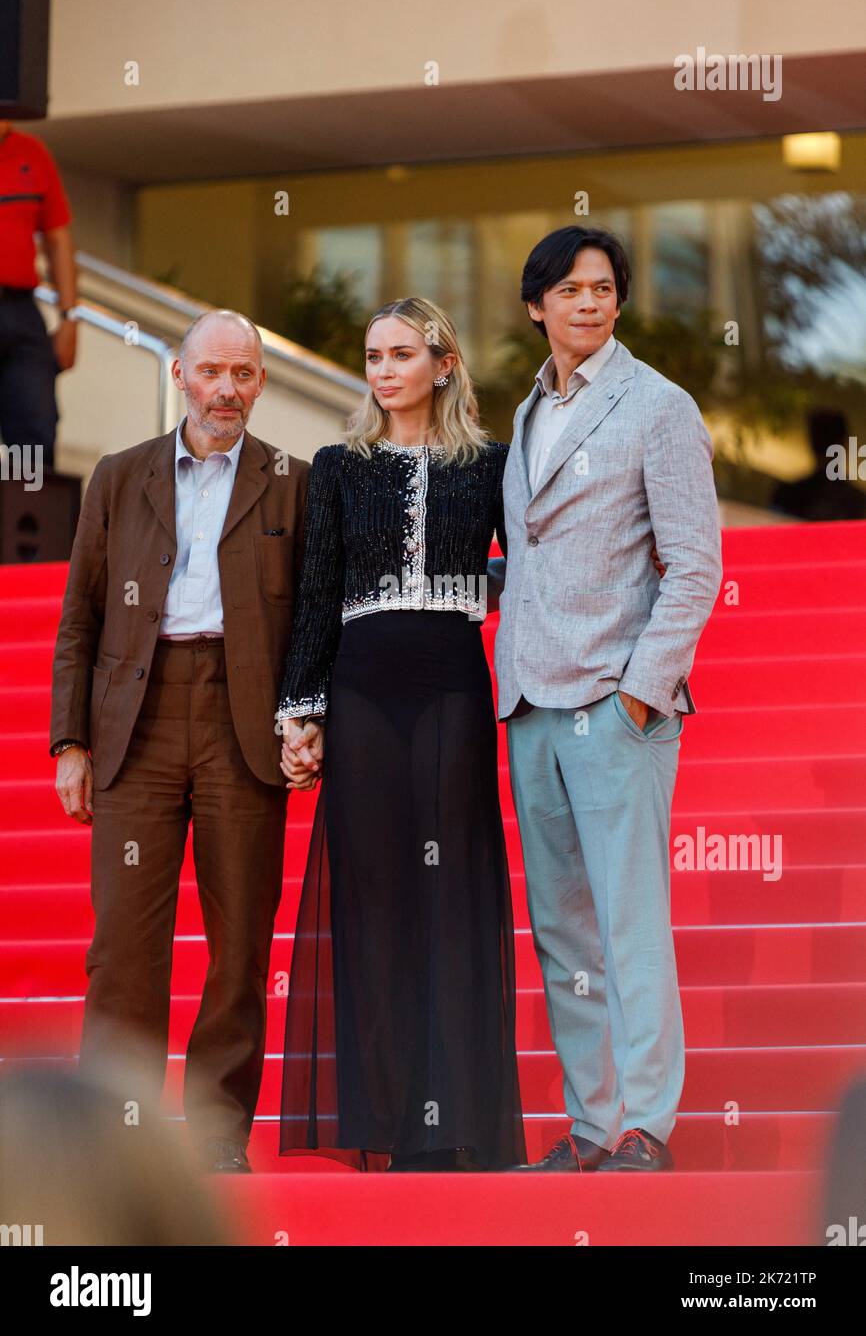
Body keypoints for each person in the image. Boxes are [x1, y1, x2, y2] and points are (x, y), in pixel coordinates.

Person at [49, 309, 312, 1173]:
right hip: (139, 717)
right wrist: (71, 741)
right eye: (212, 373)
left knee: (240, 942)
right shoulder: (120, 479)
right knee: (124, 945)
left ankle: (215, 1136)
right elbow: (80, 616)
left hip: (245, 723)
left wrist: (306, 719)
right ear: (180, 377)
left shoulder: (293, 483)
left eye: (243, 374)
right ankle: (114, 1144)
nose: (227, 389)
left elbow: (313, 619)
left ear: (261, 383)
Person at [276, 296, 527, 1172]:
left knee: (450, 895)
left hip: (454, 682)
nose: (384, 370)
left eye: (402, 354)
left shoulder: (493, 464)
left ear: (443, 364)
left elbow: (527, 568)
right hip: (363, 689)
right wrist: (300, 712)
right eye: (374, 356)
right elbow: (315, 593)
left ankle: (451, 1124)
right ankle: (384, 1118)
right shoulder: (338, 465)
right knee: (377, 899)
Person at [494, 226, 722, 1173]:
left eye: (604, 288)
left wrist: (639, 694)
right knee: (561, 931)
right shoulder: (525, 414)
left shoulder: (657, 407)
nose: (589, 303)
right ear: (537, 305)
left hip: (612, 702)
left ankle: (647, 1125)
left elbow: (696, 565)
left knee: (627, 920)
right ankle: (590, 1126)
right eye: (569, 289)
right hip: (530, 704)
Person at [0, 119, 77, 467]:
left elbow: (58, 239)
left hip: (20, 311)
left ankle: (31, 517)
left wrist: (69, 317)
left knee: (36, 431)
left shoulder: (32, 151)